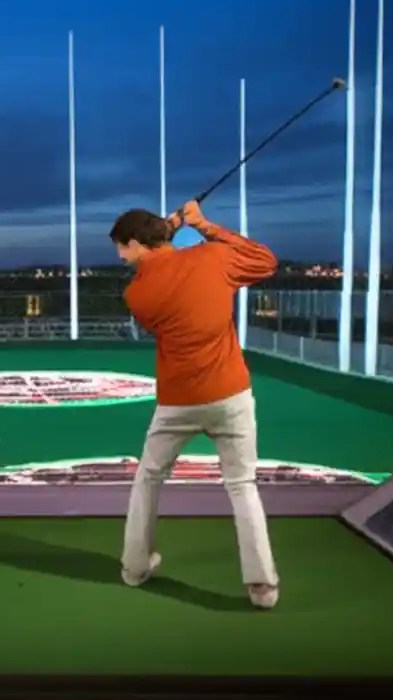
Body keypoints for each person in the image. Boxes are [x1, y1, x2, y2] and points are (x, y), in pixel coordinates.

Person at [110, 199, 280, 609]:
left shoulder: (136, 293)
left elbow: (164, 281)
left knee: (149, 478)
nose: (120, 257)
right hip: (231, 394)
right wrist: (203, 226)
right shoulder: (214, 258)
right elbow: (265, 261)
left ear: (135, 243)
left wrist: (170, 236)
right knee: (242, 486)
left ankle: (135, 569)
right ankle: (262, 587)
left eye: (122, 248)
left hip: (178, 402)